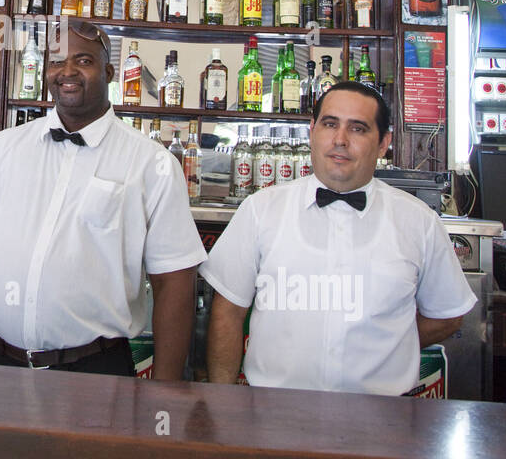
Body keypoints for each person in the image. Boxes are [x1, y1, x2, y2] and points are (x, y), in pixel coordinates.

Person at [0, 19, 206, 379]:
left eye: (83, 61)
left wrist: (167, 385)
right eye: (56, 61)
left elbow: (173, 280)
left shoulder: (151, 163)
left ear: (109, 72)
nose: (67, 72)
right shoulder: (1, 150)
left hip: (94, 372)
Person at [202, 81, 474, 395]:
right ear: (312, 131)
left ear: (383, 143)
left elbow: (448, 316)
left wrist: (389, 342)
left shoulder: (419, 221)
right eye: (330, 124)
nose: (340, 140)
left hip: (385, 420)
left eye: (358, 129)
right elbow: (228, 311)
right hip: (271, 411)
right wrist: (221, 404)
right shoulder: (260, 210)